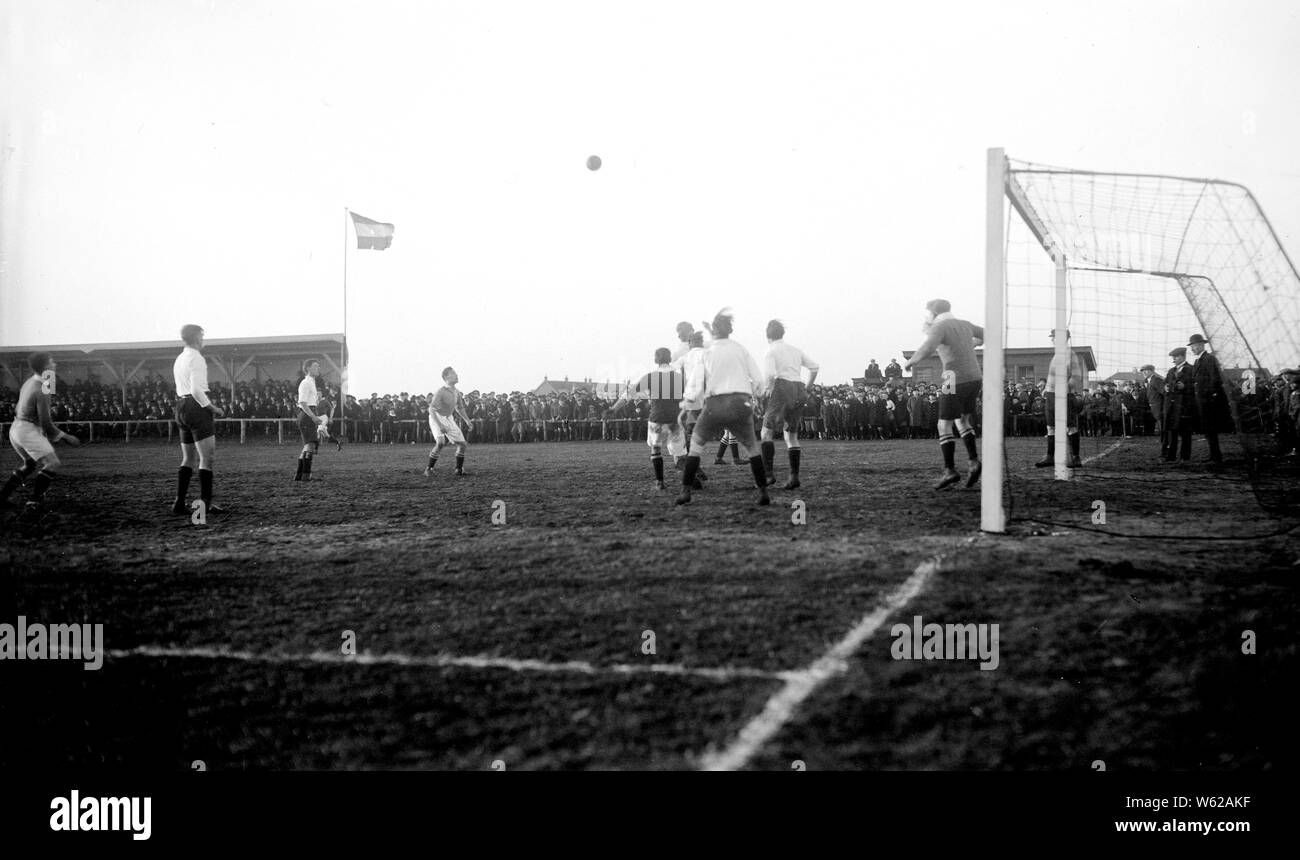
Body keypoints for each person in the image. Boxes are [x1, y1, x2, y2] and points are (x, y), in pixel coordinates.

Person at [676, 310, 770, 506]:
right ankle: (762, 491)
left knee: (695, 447)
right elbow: (759, 381)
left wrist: (686, 405)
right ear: (731, 330)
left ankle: (686, 491)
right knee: (753, 449)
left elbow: (695, 383)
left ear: (714, 330)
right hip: (740, 403)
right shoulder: (740, 349)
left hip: (714, 404)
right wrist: (756, 396)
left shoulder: (706, 353)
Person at [902, 299, 984, 490]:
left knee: (943, 423)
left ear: (932, 313)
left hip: (951, 376)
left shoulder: (939, 326)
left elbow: (928, 348)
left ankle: (950, 470)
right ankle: (973, 462)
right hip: (974, 376)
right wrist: (970, 345)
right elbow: (986, 335)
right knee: (963, 421)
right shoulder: (965, 324)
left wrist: (910, 362)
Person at [0, 353, 80, 516]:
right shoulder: (42, 388)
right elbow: (46, 423)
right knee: (52, 463)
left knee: (29, 465)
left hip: (16, 428)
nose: (55, 363)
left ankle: (2, 498)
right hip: (26, 430)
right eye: (52, 361)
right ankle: (34, 501)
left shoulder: (30, 381)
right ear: (46, 367)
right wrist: (66, 436)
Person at [170, 324, 226, 514]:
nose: (203, 340)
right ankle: (204, 506)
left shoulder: (179, 358)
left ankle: (179, 502)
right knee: (206, 459)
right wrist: (213, 408)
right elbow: (196, 389)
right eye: (202, 336)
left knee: (188, 458)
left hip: (181, 407)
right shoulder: (196, 358)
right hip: (196, 408)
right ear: (196, 338)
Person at [610, 349, 685, 490]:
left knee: (656, 449)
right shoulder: (679, 377)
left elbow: (628, 395)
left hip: (656, 419)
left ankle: (659, 482)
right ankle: (688, 478)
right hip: (675, 419)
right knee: (679, 454)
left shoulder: (650, 377)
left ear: (656, 360)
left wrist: (613, 409)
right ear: (670, 359)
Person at [759, 320, 819, 489]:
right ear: (782, 333)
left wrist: (767, 390)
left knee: (766, 432)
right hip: (798, 387)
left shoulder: (770, 351)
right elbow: (814, 368)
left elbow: (770, 374)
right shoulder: (795, 350)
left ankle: (768, 474)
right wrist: (807, 388)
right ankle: (794, 477)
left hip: (781, 387)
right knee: (791, 435)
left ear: (767, 335)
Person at [1188, 334, 1228, 464]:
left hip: (1208, 401)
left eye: (1193, 346)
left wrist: (1210, 396)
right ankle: (1213, 455)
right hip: (1200, 401)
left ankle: (1216, 457)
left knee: (1211, 429)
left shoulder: (1209, 359)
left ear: (1200, 345)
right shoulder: (1197, 361)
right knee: (1207, 429)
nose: (1192, 349)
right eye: (1191, 347)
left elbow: (1215, 379)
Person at [425, 367, 471, 476]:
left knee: (463, 444)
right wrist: (440, 424)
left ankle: (458, 469)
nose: (457, 375)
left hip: (449, 418)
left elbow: (460, 408)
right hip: (436, 417)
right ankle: (429, 469)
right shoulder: (441, 391)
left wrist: (467, 421)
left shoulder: (457, 392)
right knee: (441, 443)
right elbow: (431, 409)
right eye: (454, 373)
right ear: (446, 377)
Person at [294, 359, 327, 481]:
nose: (318, 368)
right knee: (311, 444)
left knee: (308, 445)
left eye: (318, 366)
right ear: (307, 368)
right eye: (315, 366)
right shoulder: (306, 383)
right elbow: (302, 402)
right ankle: (306, 475)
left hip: (309, 413)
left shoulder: (311, 382)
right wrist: (313, 416)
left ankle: (300, 474)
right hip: (307, 415)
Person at [1163, 347, 1195, 462]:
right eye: (1173, 357)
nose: (1174, 359)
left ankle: (1185, 457)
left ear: (1183, 356)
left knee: (1185, 433)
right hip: (1172, 407)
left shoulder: (1191, 369)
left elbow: (1195, 386)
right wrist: (1165, 388)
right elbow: (1165, 384)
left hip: (1185, 407)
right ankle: (1171, 456)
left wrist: (1185, 387)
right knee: (1172, 432)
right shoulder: (1171, 371)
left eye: (1176, 357)